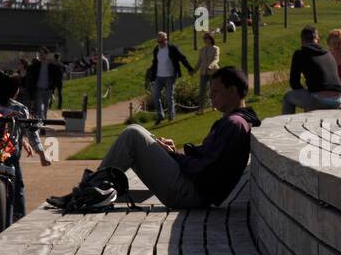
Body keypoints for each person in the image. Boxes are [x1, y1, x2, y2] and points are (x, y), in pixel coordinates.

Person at [49, 67, 259, 211]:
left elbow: (204, 170)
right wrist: (174, 153)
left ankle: (88, 194)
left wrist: (174, 157)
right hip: (195, 190)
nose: (211, 96)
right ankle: (90, 192)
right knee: (141, 133)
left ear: (233, 91)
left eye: (215, 92)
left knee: (133, 134)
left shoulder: (233, 124)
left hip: (191, 194)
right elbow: (208, 162)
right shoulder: (237, 122)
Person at [0, 70, 51, 240]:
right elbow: (31, 131)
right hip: (10, 155)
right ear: (14, 90)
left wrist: (22, 140)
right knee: (17, 189)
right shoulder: (20, 109)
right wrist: (42, 154)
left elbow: (0, 128)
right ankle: (18, 221)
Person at [283, 24, 341, 114]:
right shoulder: (328, 53)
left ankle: (287, 122)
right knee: (310, 94)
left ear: (302, 41)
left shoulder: (300, 53)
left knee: (287, 96)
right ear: (317, 40)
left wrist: (305, 91)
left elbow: (294, 82)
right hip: (339, 99)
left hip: (319, 99)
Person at [145, 31, 192, 124]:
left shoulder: (172, 48)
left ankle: (171, 116)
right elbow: (155, 62)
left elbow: (182, 58)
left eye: (162, 41)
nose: (160, 44)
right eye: (158, 42)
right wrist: (152, 75)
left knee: (168, 97)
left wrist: (189, 68)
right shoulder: (156, 49)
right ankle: (160, 116)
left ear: (166, 39)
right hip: (159, 76)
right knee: (155, 96)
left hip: (170, 76)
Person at [24, 46, 57, 121]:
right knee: (39, 108)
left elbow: (54, 79)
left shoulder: (52, 67)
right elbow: (31, 79)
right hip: (39, 90)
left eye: (42, 53)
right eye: (39, 54)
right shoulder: (35, 66)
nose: (41, 55)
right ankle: (40, 123)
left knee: (45, 109)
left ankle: (44, 122)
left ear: (46, 54)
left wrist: (52, 89)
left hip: (48, 90)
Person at [195, 33, 220, 114]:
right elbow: (199, 61)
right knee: (202, 90)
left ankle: (214, 105)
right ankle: (201, 109)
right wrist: (194, 70)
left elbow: (216, 59)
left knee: (213, 89)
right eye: (204, 38)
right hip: (203, 72)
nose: (204, 40)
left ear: (210, 39)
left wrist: (211, 66)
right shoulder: (202, 49)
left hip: (213, 71)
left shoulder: (215, 48)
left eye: (206, 38)